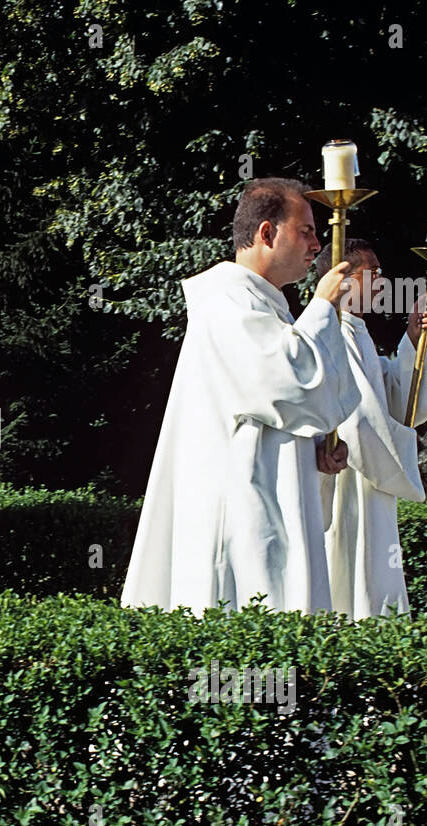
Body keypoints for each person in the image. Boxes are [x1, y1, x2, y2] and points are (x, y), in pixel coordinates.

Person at [121, 177, 361, 614]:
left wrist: (317, 449)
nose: (317, 243)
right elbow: (289, 382)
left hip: (269, 491)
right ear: (267, 234)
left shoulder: (263, 303)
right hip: (241, 503)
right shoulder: (227, 301)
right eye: (305, 230)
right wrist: (323, 307)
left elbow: (285, 406)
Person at [316, 239, 427, 618]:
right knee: (347, 571)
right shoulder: (332, 332)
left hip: (368, 479)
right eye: (372, 272)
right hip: (348, 477)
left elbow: (393, 400)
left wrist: (413, 338)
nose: (382, 281)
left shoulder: (357, 331)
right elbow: (358, 421)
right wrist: (398, 463)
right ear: (343, 278)